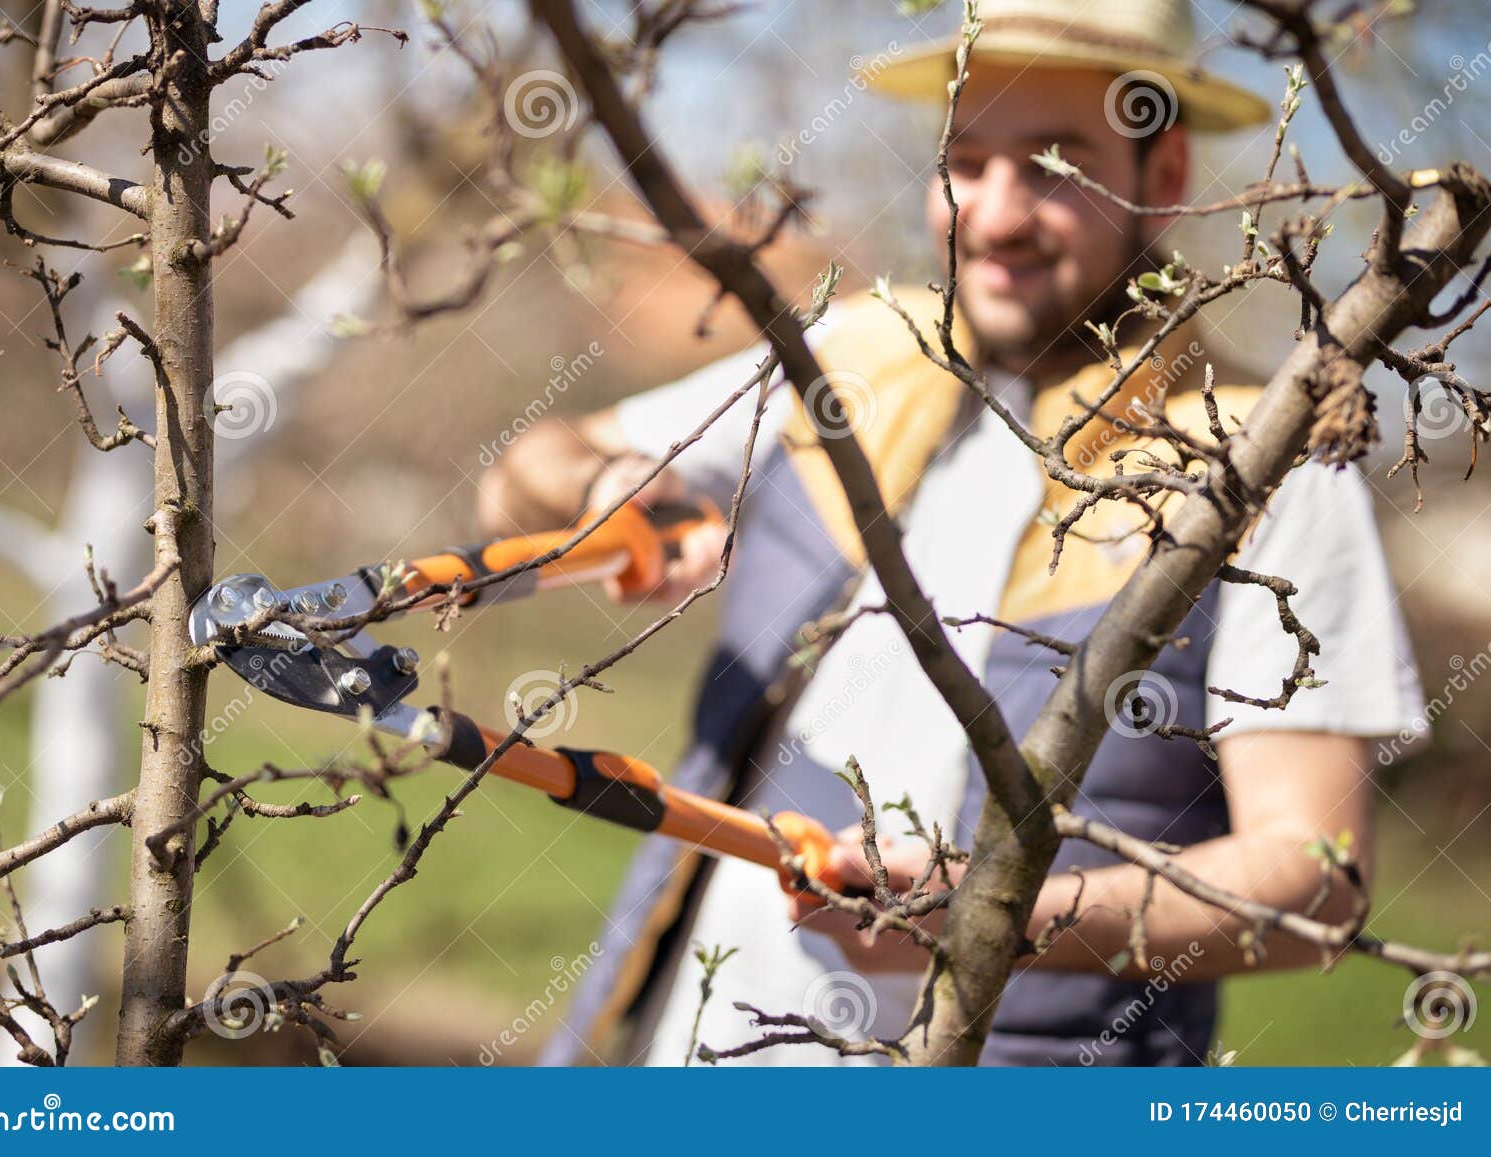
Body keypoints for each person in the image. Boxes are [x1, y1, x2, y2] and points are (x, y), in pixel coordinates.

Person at [479, 0, 1424, 1066]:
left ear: (1163, 181)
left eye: (1057, 165)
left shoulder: (1260, 467)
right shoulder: (849, 358)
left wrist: (997, 915)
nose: (993, 213)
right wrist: (609, 484)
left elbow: (1316, 880)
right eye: (963, 162)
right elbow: (524, 472)